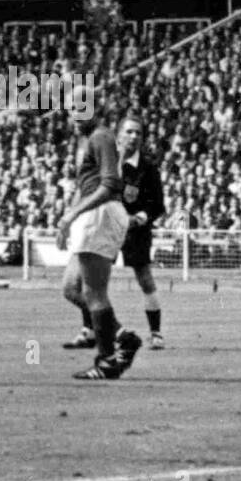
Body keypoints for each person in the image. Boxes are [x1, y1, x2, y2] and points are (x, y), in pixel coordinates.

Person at [57, 95, 142, 380]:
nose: (75, 114)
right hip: (93, 215)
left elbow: (109, 184)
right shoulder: (89, 140)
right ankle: (121, 338)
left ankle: (106, 360)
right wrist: (67, 220)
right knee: (73, 287)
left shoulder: (101, 136)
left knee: (94, 292)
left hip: (101, 214)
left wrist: (71, 216)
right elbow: (88, 186)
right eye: (71, 108)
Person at [64, 115, 167, 350]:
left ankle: (156, 333)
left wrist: (140, 217)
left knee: (144, 278)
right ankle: (90, 331)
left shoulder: (148, 168)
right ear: (118, 134)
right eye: (129, 132)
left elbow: (158, 204)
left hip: (133, 229)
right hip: (102, 225)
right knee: (82, 282)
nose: (133, 137)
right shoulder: (107, 158)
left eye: (138, 133)